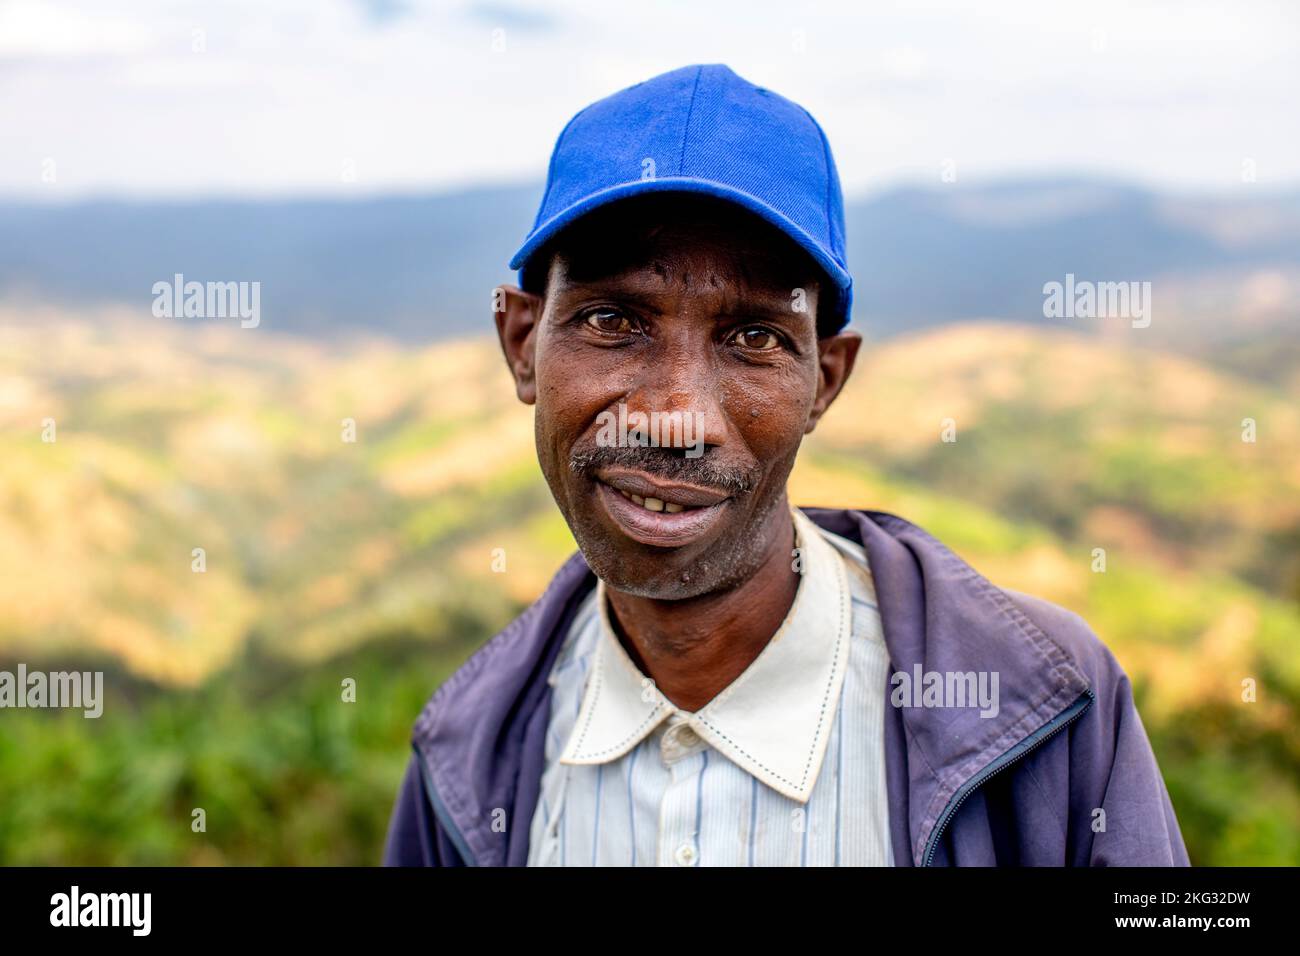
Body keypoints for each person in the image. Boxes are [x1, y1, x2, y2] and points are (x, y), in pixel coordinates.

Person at [382, 64, 1189, 867]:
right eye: (610, 319)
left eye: (755, 338)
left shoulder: (1047, 708)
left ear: (824, 382)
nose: (675, 419)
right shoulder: (464, 760)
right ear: (523, 343)